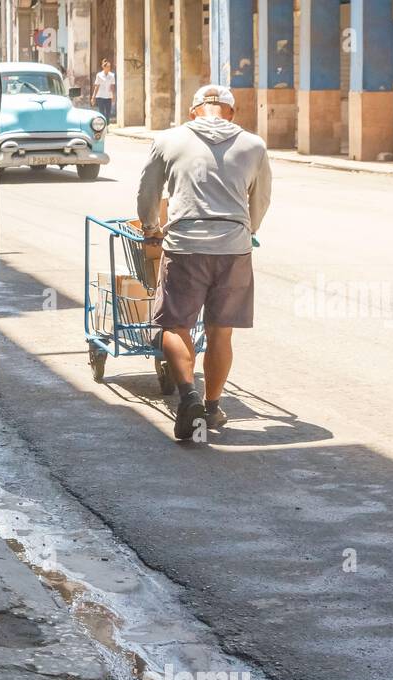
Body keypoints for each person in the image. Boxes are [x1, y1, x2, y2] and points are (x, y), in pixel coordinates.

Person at [136, 84, 271, 441]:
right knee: (220, 330)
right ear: (231, 112)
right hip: (234, 248)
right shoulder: (253, 145)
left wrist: (152, 228)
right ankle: (211, 407)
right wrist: (248, 230)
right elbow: (261, 198)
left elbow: (147, 192)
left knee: (174, 325)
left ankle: (189, 396)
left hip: (185, 247)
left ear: (194, 111)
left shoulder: (168, 140)